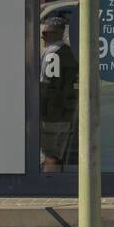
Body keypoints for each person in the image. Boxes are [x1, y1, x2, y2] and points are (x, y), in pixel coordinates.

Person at [39, 16, 77, 172]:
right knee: (57, 154)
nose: (42, 36)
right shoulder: (70, 52)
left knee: (50, 155)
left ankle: (50, 186)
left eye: (46, 33)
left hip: (51, 114)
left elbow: (47, 85)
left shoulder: (52, 54)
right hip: (66, 113)